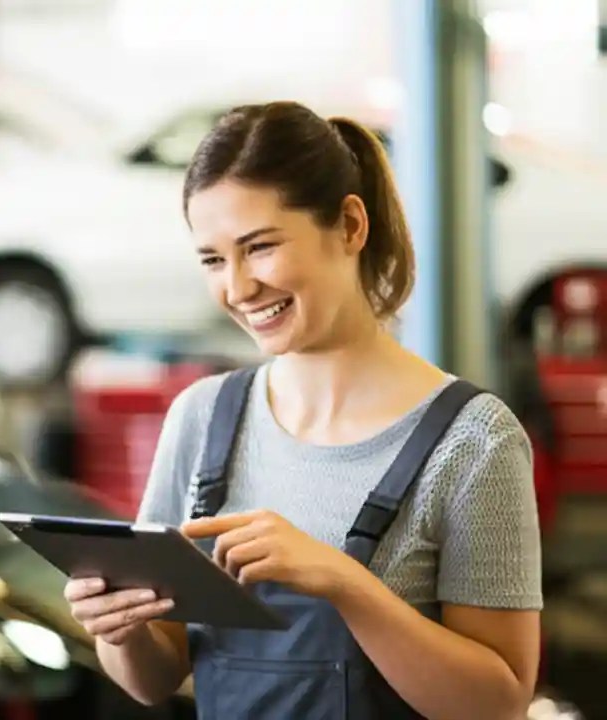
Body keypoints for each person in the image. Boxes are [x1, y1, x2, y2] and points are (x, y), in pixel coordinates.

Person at [64, 101, 542, 719]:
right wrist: (120, 630)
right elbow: (156, 676)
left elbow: (496, 705)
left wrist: (345, 583)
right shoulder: (203, 419)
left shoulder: (473, 442)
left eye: (259, 247)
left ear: (348, 225)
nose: (237, 289)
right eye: (213, 259)